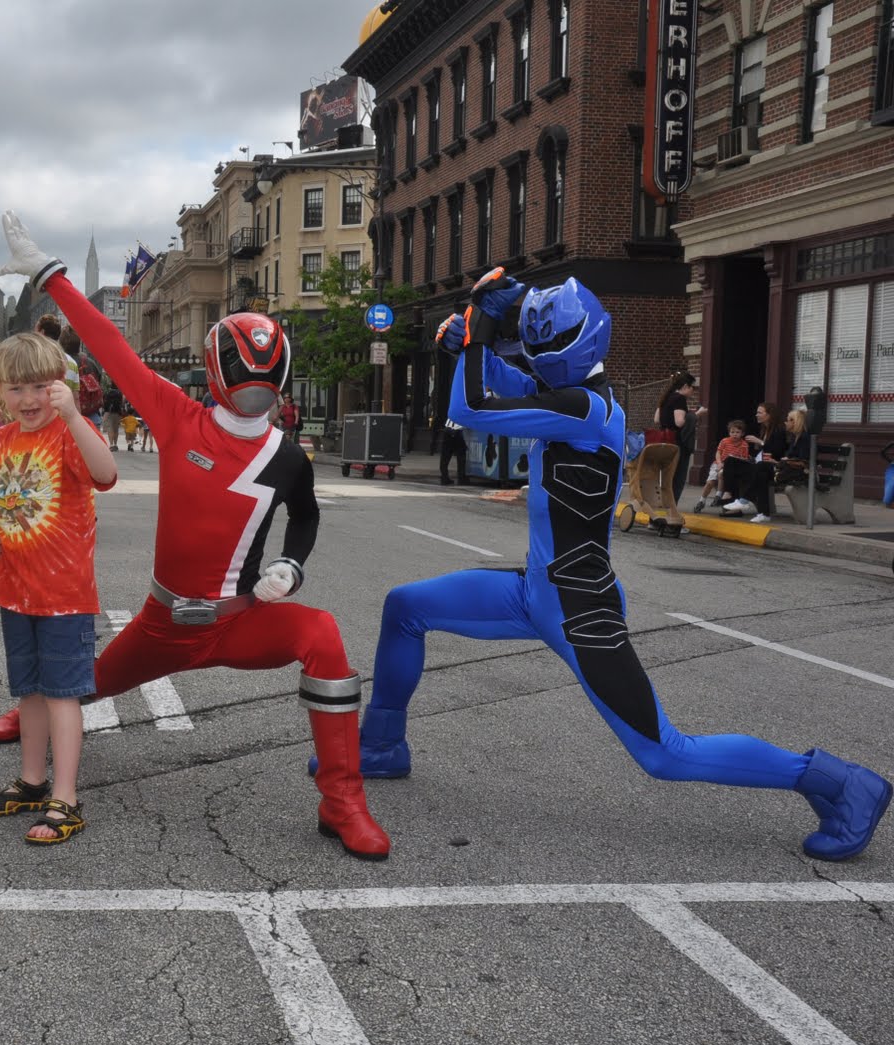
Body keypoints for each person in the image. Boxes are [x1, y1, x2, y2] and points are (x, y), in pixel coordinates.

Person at [355, 267, 890, 863]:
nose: (544, 358)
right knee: (405, 607)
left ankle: (840, 783)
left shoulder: (583, 408)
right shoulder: (576, 397)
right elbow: (498, 381)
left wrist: (478, 332)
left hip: (580, 610)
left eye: (551, 347)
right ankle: (380, 747)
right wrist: (466, 342)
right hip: (534, 591)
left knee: (666, 753)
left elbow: (475, 405)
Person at [0, 211, 390, 860]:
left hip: (237, 618)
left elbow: (306, 515)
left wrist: (291, 564)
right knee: (74, 684)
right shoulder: (179, 417)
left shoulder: (288, 457)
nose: (253, 385)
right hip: (164, 622)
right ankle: (28, 723)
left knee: (323, 637)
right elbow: (110, 347)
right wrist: (49, 275)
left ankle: (342, 800)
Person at [0, 330, 117, 844]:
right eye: (15, 388)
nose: (28, 399)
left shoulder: (67, 433)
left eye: (39, 387)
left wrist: (76, 417)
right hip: (15, 588)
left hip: (64, 595)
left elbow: (106, 474)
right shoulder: (4, 439)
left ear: (59, 386)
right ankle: (32, 781)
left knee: (62, 695)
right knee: (28, 691)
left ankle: (66, 797)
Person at [721, 402, 787, 523]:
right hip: (760, 464)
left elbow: (777, 451)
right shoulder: (765, 429)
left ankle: (745, 501)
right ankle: (728, 492)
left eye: (760, 412)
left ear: (769, 415)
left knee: (761, 472)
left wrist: (761, 442)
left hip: (772, 467)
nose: (756, 415)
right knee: (731, 460)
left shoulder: (779, 430)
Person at [655, 371, 704, 503]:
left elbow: (656, 419)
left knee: (667, 477)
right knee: (677, 478)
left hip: (664, 441)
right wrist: (697, 414)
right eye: (692, 387)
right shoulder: (679, 398)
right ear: (685, 386)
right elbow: (679, 422)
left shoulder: (666, 397)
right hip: (678, 444)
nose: (693, 391)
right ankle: (671, 508)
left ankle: (661, 508)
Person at [691, 420, 752, 513]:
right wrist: (719, 463)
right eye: (732, 432)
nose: (735, 434)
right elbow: (718, 452)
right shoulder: (724, 441)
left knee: (721, 474)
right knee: (710, 482)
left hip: (731, 467)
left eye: (737, 432)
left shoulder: (744, 445)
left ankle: (718, 496)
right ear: (729, 432)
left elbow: (743, 458)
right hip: (719, 463)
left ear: (742, 433)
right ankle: (701, 500)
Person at [439, 415, 469, 485]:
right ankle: (461, 478)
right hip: (457, 432)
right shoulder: (462, 411)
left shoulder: (453, 410)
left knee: (445, 457)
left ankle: (444, 478)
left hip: (447, 431)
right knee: (461, 457)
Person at [101, 384, 125, 451]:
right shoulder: (120, 393)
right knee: (116, 429)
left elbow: (103, 402)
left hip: (109, 412)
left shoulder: (108, 392)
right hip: (117, 413)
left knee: (110, 428)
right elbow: (123, 402)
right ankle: (115, 444)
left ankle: (111, 444)